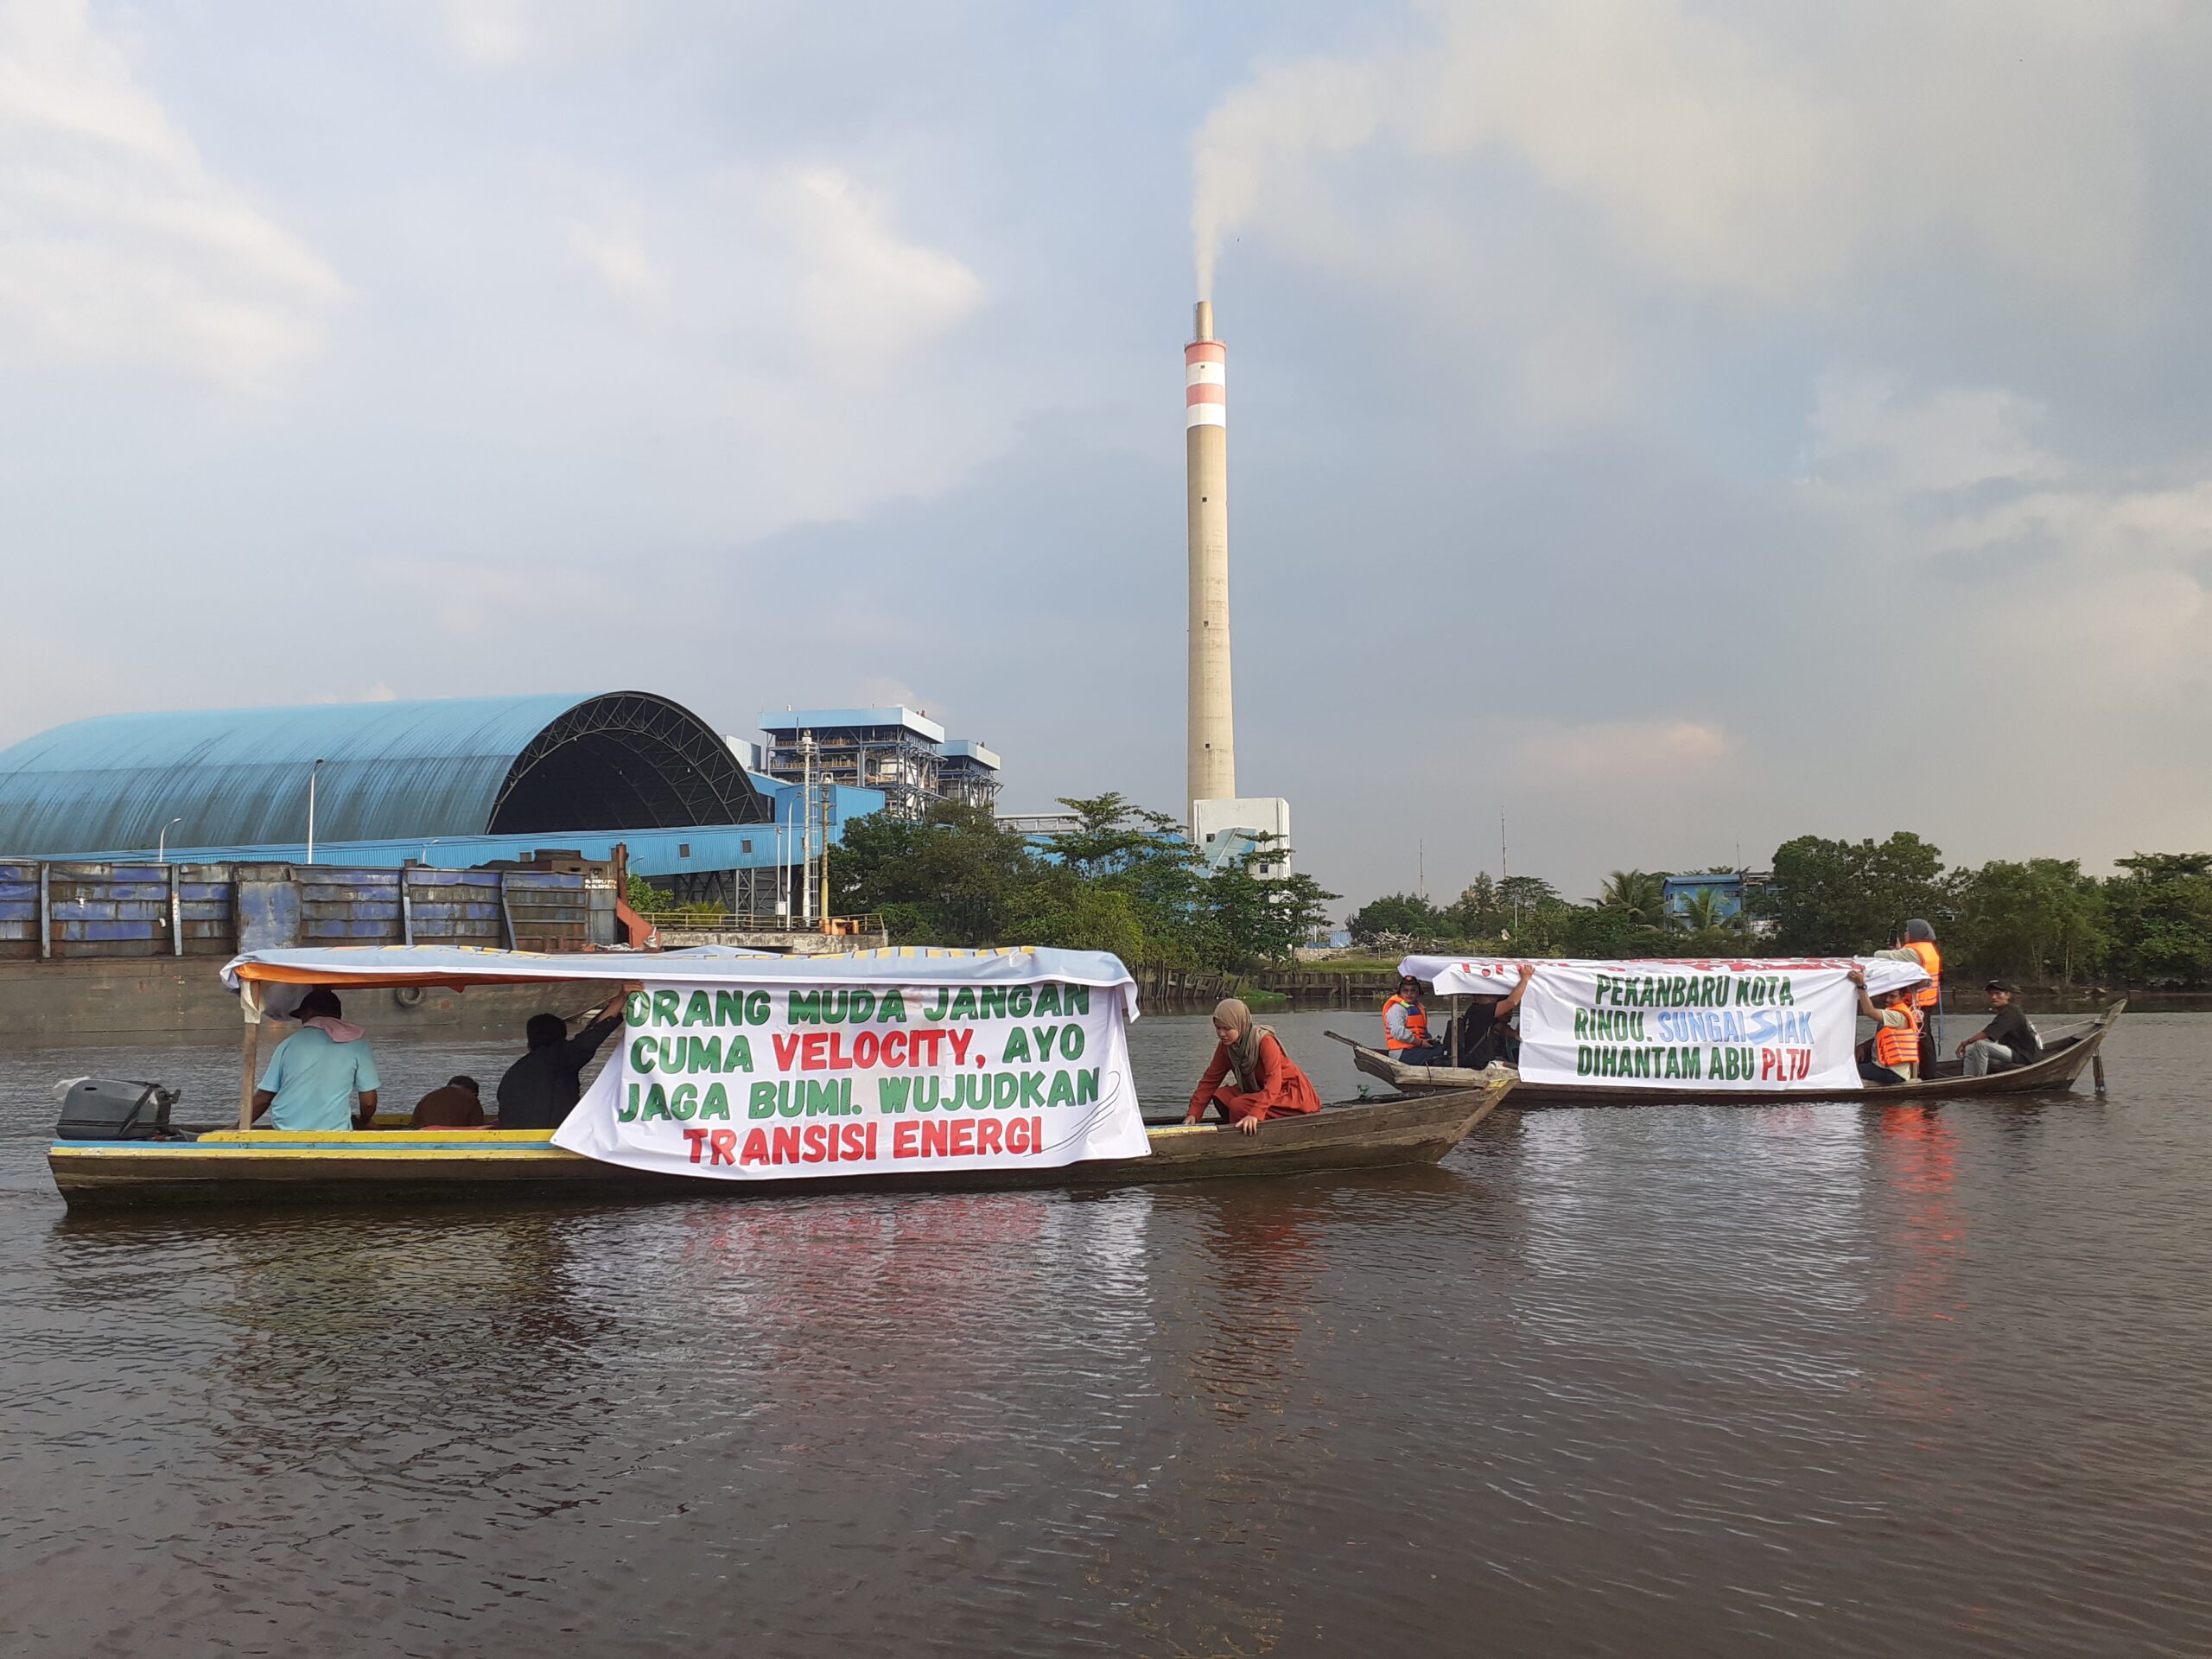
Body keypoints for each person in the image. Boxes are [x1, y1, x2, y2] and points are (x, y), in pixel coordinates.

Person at [1185, 998, 1323, 1135]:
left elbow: (1274, 1081)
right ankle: (1242, 1126)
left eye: (1227, 1028)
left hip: (1289, 1093)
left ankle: (1244, 1135)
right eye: (1218, 1028)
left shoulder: (1264, 1041)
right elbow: (1210, 1080)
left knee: (1238, 1105)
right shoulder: (1227, 1047)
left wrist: (1255, 1113)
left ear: (1241, 1024)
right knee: (1221, 1096)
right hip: (1262, 1090)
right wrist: (1194, 1114)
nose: (1221, 1034)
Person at [250, 987, 380, 1130]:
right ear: (339, 1014)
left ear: (308, 1013)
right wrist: (365, 1120)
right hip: (334, 1132)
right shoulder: (358, 1045)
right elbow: (368, 1103)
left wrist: (237, 1126)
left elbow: (264, 1097)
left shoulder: (288, 1045)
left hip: (285, 1129)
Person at [495, 991, 627, 1130]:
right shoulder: (561, 1057)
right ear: (563, 1039)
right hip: (551, 1138)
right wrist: (622, 997)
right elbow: (593, 1034)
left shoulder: (514, 1072)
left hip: (513, 1139)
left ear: (529, 1044)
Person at [1447, 963, 1536, 1069]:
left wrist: (1515, 1035)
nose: (1493, 998)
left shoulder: (1476, 1011)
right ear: (1476, 996)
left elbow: (1500, 1027)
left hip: (1480, 1060)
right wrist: (1525, 979)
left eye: (1494, 995)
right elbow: (1511, 1002)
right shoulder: (1481, 1011)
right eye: (1488, 995)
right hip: (1479, 1063)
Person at [1850, 967, 1921, 1085]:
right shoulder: (1895, 1011)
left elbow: (1869, 1011)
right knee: (1859, 1065)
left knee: (1849, 1070)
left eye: (1893, 996)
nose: (1887, 999)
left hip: (1891, 1072)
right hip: (1892, 1069)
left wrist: (1861, 985)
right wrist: (1863, 1046)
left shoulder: (1897, 1015)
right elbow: (1885, 1038)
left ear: (1902, 998)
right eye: (1886, 995)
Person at [1956, 982, 2041, 1077]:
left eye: (1998, 993)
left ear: (2007, 995)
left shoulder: (2010, 1012)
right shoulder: (2007, 1011)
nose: (1993, 997)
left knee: (1980, 1045)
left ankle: (1980, 1080)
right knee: (1971, 1051)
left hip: (2024, 1055)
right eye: (1991, 994)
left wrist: (1964, 1043)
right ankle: (1967, 1079)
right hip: (2014, 1051)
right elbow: (1990, 1033)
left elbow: (1987, 1033)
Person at [1382, 976, 1448, 1066]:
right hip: (1402, 1053)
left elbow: (1423, 1033)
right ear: (1400, 993)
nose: (1409, 993)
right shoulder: (1397, 1009)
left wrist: (1428, 1041)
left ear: (1418, 992)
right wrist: (1420, 1043)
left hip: (1415, 1049)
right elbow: (1398, 1032)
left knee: (1445, 1049)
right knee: (1444, 1053)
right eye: (1405, 990)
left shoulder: (1419, 1008)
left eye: (1413, 990)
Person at [411, 1075, 486, 1129]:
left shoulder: (426, 1098)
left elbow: (415, 1123)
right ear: (474, 1093)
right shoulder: (471, 1099)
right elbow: (477, 1127)